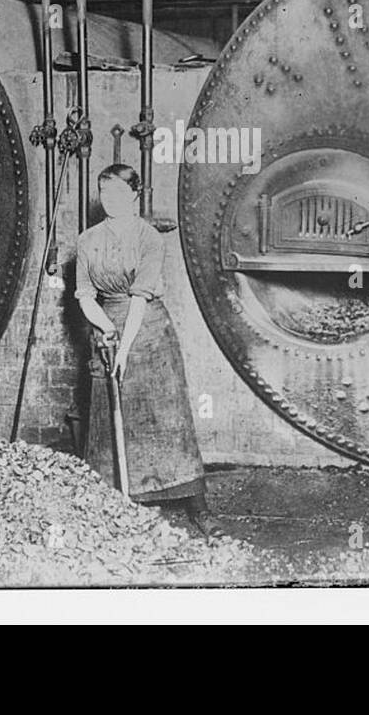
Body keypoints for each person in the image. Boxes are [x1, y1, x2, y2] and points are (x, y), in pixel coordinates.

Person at [74, 164, 223, 538]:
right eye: (105, 194)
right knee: (110, 420)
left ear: (135, 197)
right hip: (107, 327)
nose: (111, 201)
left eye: (120, 194)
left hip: (150, 333)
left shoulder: (149, 238)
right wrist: (107, 330)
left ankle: (197, 505)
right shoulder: (87, 240)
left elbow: (139, 299)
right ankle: (118, 502)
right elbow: (86, 297)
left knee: (168, 419)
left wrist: (125, 348)